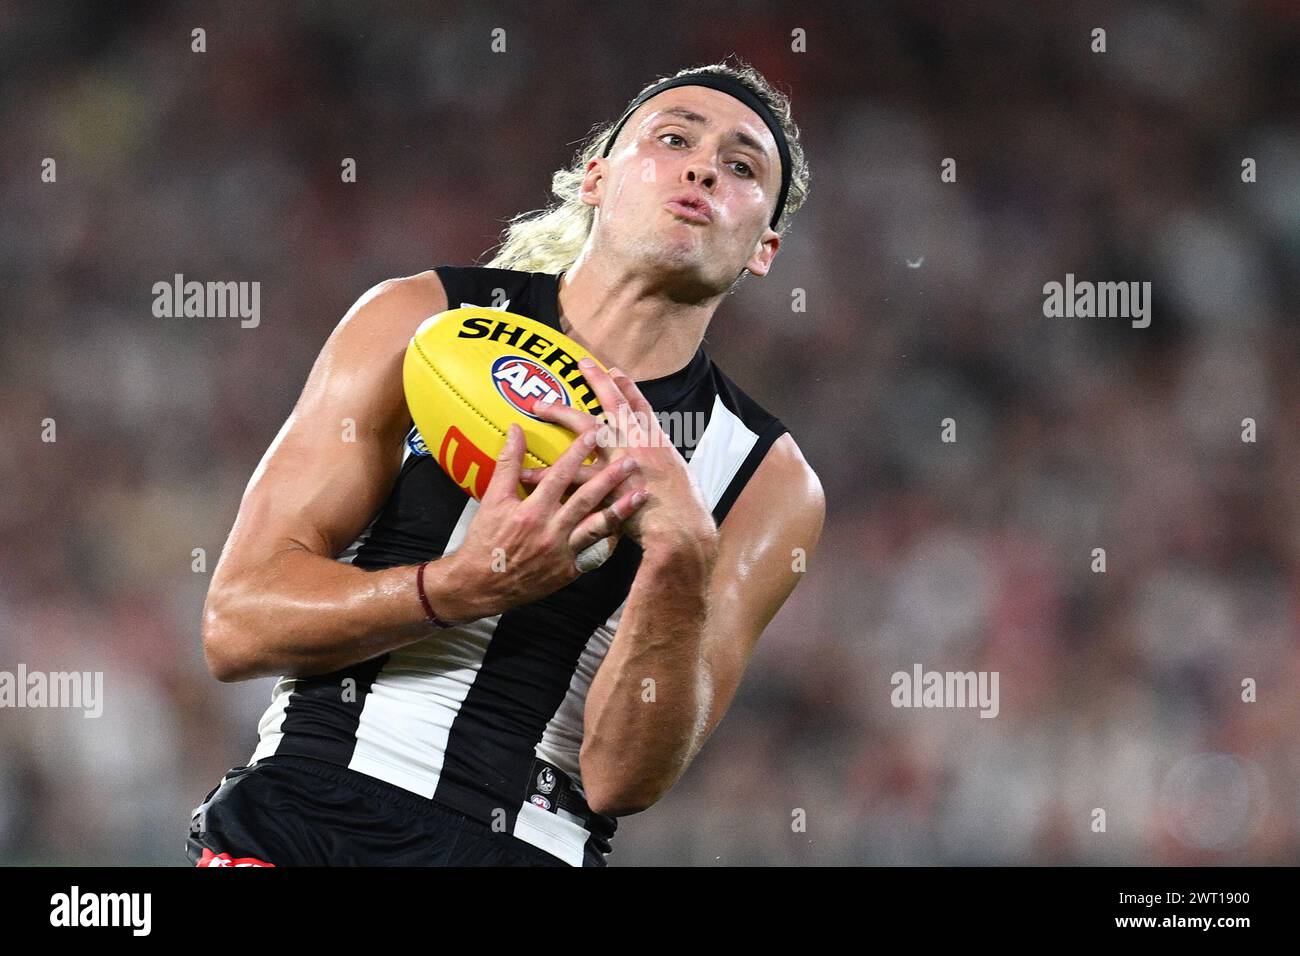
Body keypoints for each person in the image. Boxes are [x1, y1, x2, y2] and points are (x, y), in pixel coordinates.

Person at [187, 56, 825, 867]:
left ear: (762, 247)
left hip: (531, 844)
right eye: (673, 138)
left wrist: (682, 554)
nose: (703, 166)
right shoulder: (419, 320)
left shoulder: (766, 479)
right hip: (308, 813)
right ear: (595, 177)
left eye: (742, 166)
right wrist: (459, 585)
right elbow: (236, 626)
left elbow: (622, 778)